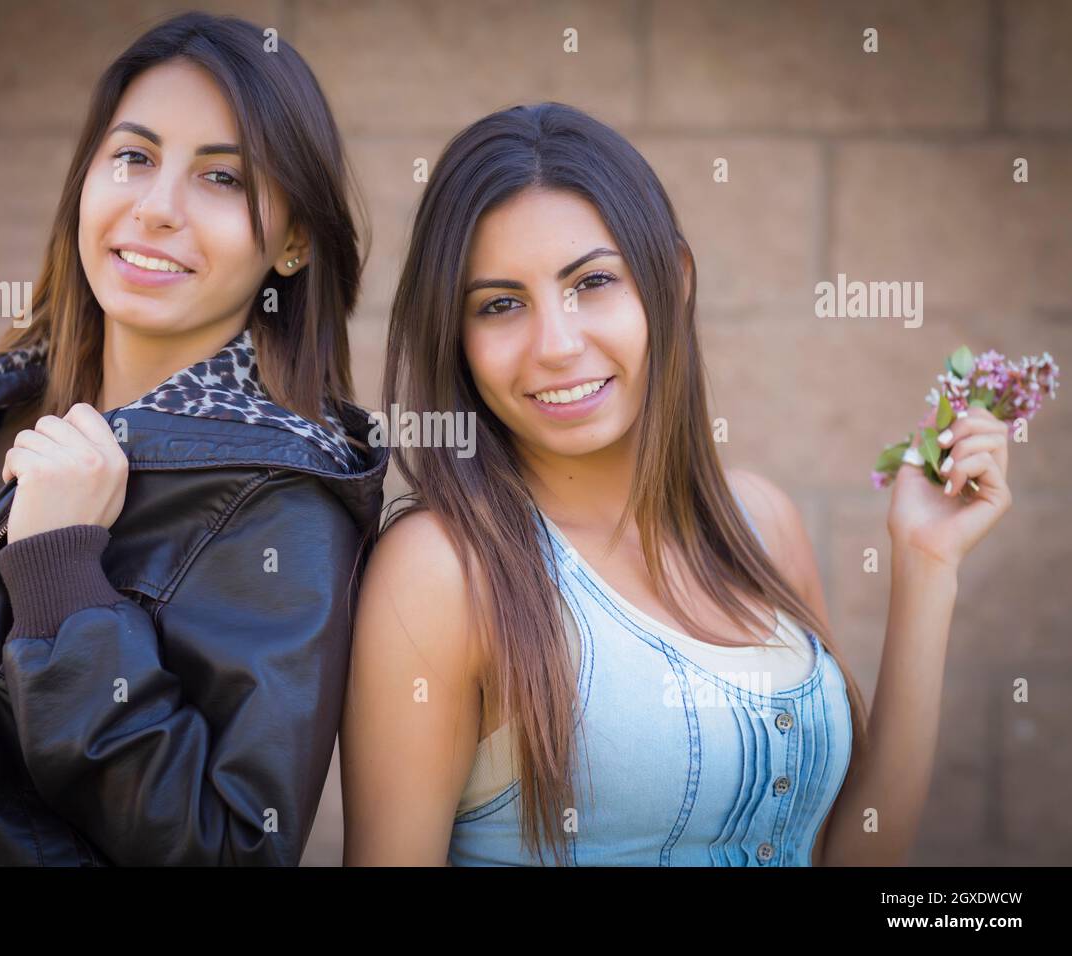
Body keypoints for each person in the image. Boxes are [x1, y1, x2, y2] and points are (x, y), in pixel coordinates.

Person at [340, 102, 1012, 866]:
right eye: (501, 305)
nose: (557, 346)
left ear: (675, 280)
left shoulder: (760, 521)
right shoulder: (442, 572)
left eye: (591, 282)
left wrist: (927, 565)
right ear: (455, 337)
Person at [0, 12, 386, 866]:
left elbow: (228, 849)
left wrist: (65, 581)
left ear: (294, 242)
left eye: (222, 178)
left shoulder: (281, 503)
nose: (156, 209)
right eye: (134, 157)